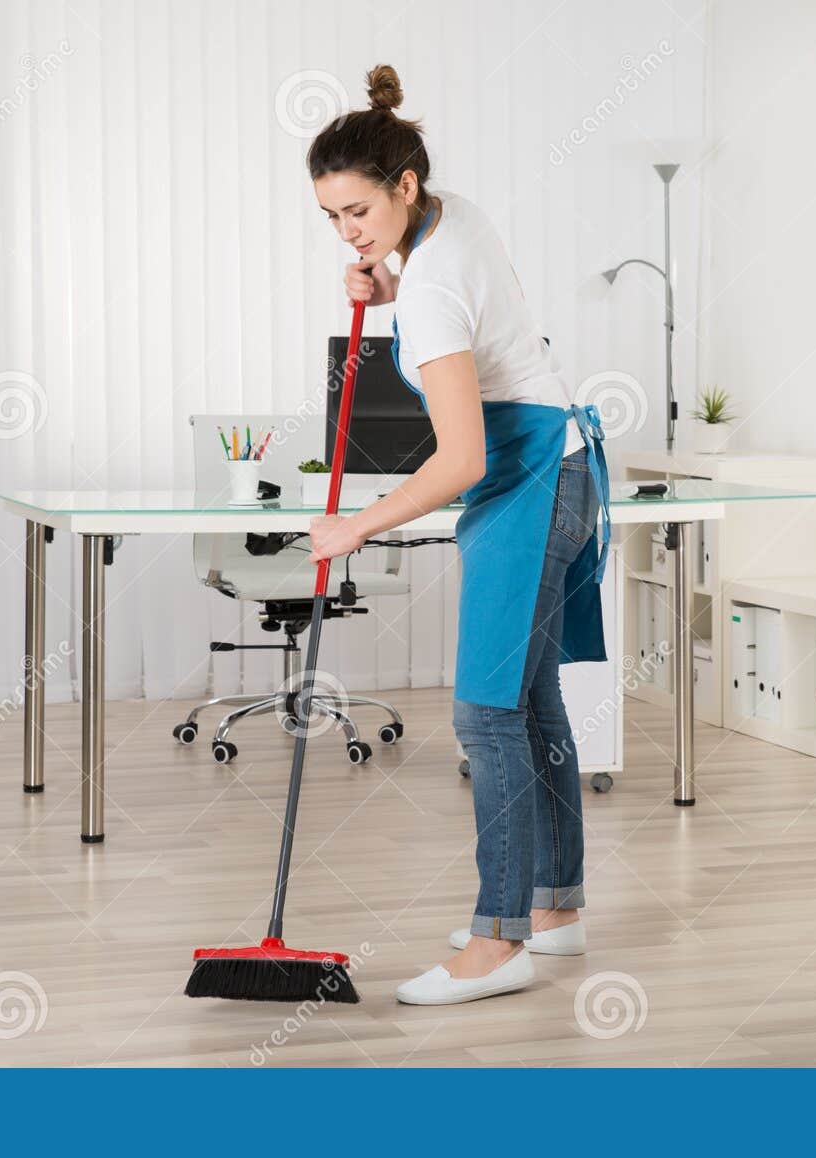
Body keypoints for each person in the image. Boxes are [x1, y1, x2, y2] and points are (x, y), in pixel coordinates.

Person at [306, 64, 612, 1006]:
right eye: (332, 219)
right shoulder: (453, 214)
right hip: (566, 463)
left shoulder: (430, 287)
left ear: (402, 188)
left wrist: (354, 526)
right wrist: (388, 276)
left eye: (359, 211)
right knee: (531, 702)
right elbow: (457, 302)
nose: (350, 232)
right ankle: (552, 909)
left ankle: (496, 942)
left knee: (484, 712)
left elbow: (460, 461)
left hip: (524, 480)